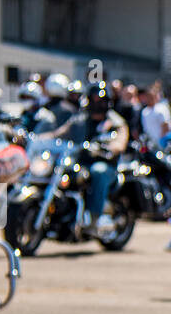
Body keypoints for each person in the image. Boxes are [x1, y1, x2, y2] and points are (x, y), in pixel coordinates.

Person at [48, 79, 128, 239]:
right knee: (57, 168)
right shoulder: (79, 120)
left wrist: (112, 147)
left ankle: (94, 219)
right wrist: (37, 139)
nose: (97, 103)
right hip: (81, 162)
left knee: (98, 171)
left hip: (105, 164)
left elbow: (121, 140)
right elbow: (59, 133)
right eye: (94, 99)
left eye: (101, 100)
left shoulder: (115, 121)